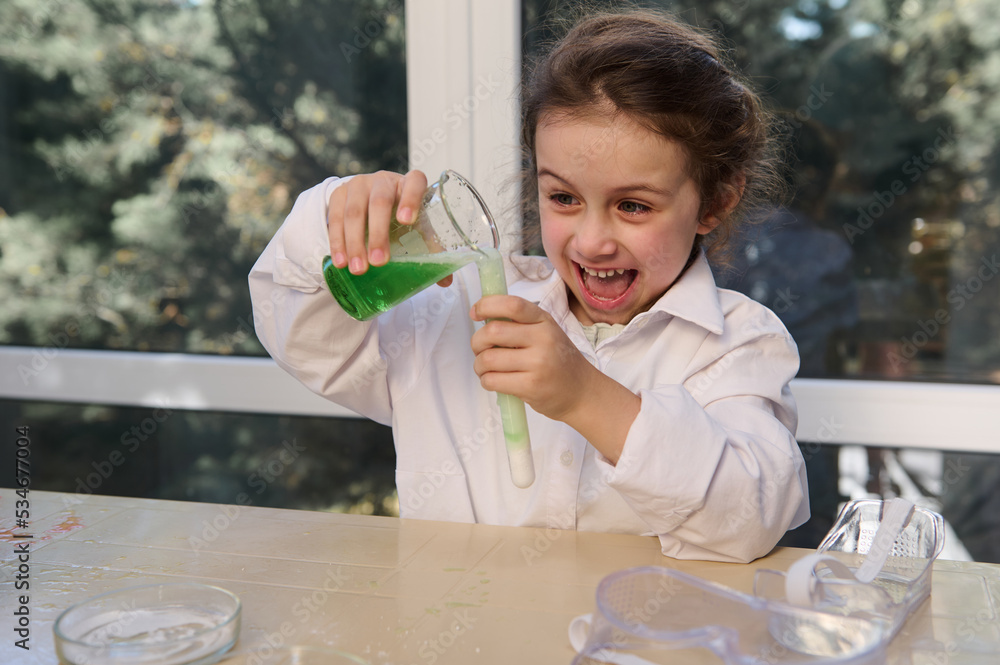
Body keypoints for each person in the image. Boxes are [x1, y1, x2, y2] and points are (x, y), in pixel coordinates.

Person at [249, 9, 809, 563]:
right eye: (563, 198)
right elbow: (294, 326)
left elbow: (751, 517)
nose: (591, 242)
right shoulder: (453, 302)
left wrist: (586, 396)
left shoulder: (741, 344)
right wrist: (334, 216)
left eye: (633, 205)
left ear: (714, 202)